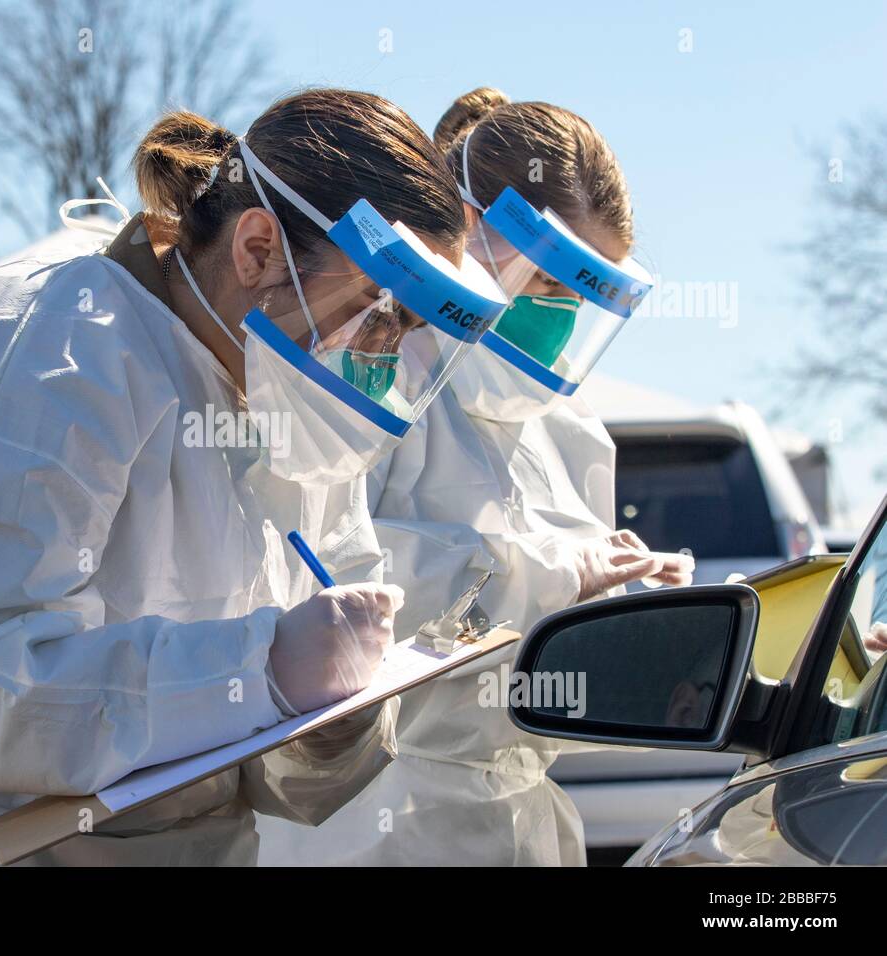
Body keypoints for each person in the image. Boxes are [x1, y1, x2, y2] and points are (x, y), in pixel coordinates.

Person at [0, 89, 500, 865]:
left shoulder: (287, 403)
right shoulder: (51, 350)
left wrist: (334, 723)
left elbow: (266, 754)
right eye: (375, 307)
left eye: (407, 328)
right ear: (257, 248)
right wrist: (260, 669)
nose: (382, 352)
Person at [257, 88, 695, 866]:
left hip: (518, 814)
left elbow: (551, 681)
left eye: (580, 294)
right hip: (373, 816)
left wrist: (635, 615)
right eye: (548, 281)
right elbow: (314, 574)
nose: (558, 314)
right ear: (472, 232)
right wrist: (552, 576)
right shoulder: (373, 370)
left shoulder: (569, 426)